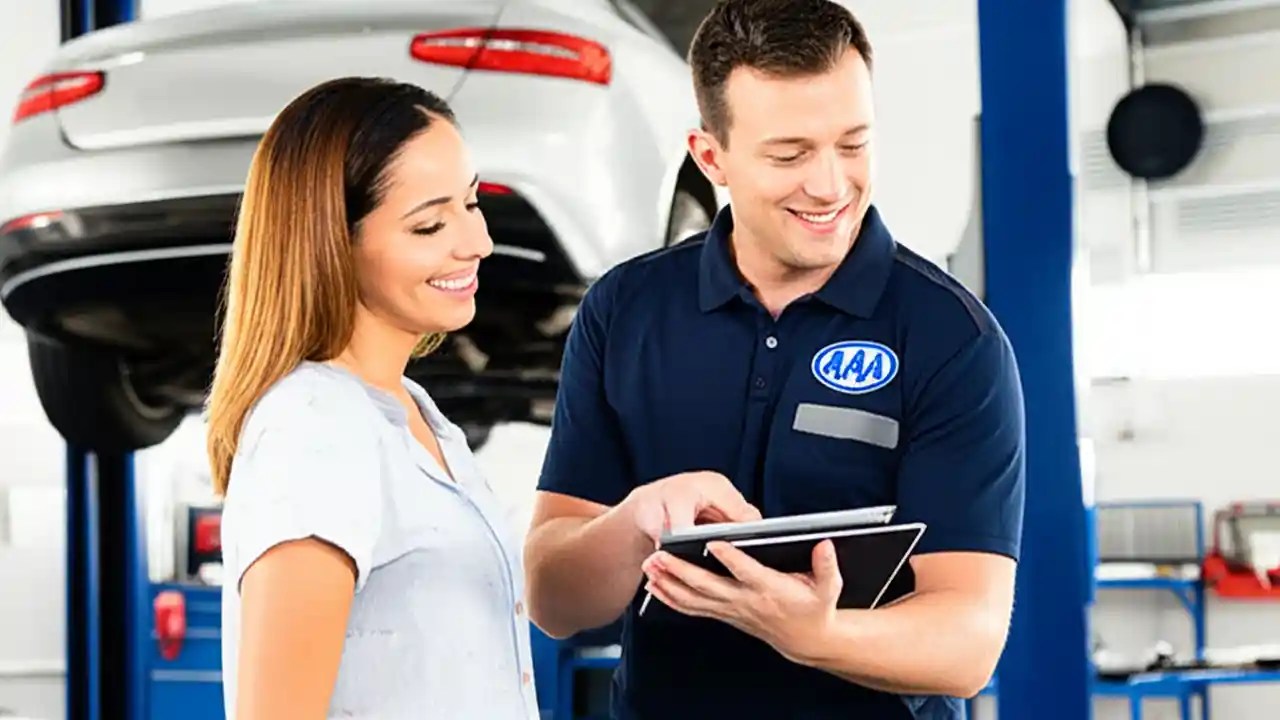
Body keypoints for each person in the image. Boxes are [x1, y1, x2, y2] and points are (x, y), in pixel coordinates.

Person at [523, 0, 1026, 718]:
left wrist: (814, 635)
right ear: (711, 157)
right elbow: (554, 601)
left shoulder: (952, 340)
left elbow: (967, 645)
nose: (829, 185)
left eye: (853, 145)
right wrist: (634, 520)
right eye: (789, 155)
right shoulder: (625, 312)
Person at [205, 77, 539, 720]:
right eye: (430, 224)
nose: (478, 243)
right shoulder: (315, 429)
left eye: (472, 204)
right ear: (335, 241)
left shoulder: (416, 417)